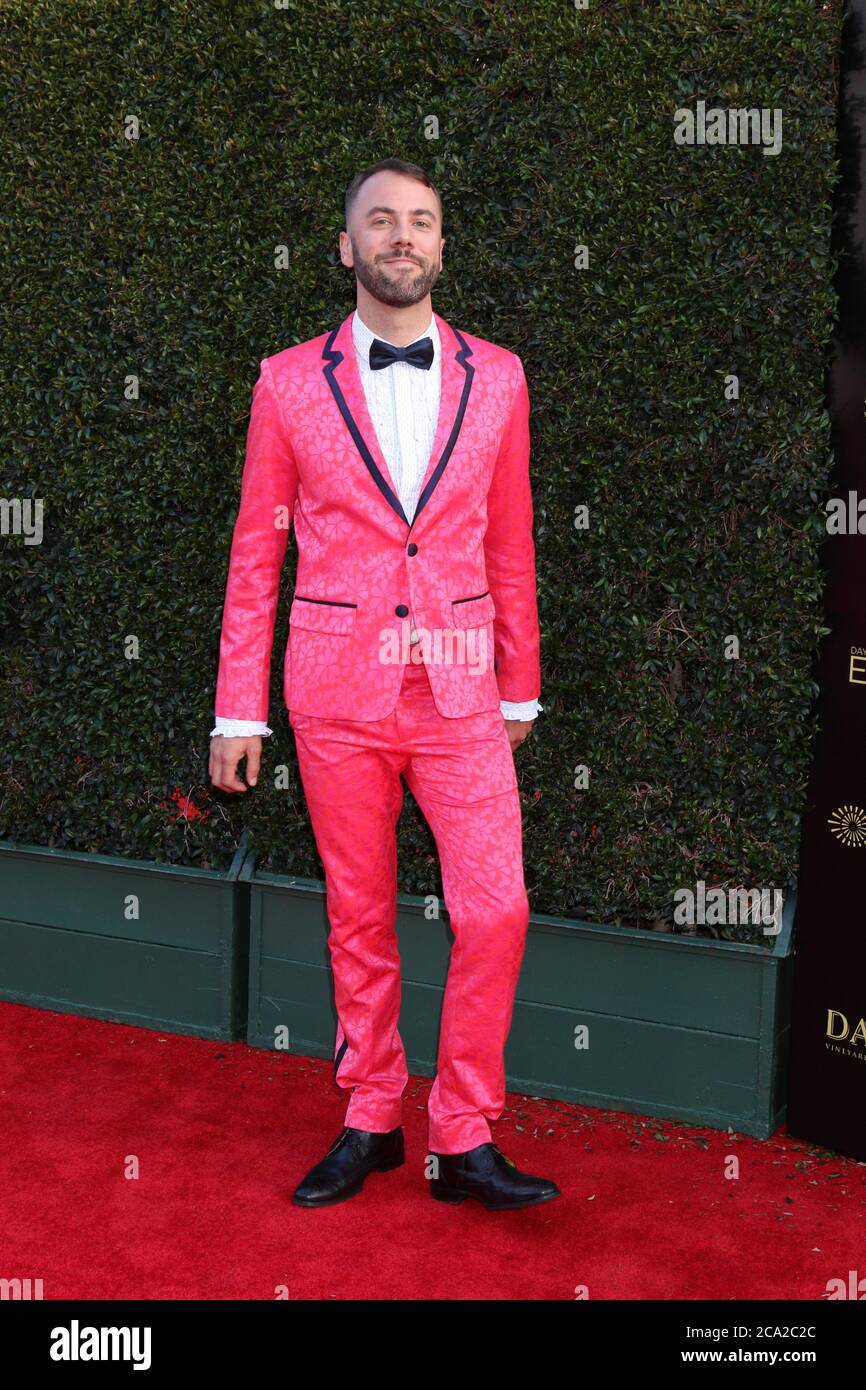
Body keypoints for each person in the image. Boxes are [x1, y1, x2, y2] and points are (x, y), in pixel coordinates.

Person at [209, 157, 560, 1212]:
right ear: (347, 245)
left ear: (442, 245)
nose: (400, 236)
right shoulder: (284, 381)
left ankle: (462, 1128)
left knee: (494, 910)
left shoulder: (498, 376)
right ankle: (371, 1114)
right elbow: (253, 551)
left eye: (420, 220)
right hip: (332, 690)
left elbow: (511, 540)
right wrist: (238, 707)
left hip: (459, 681)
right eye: (380, 220)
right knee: (356, 915)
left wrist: (520, 687)